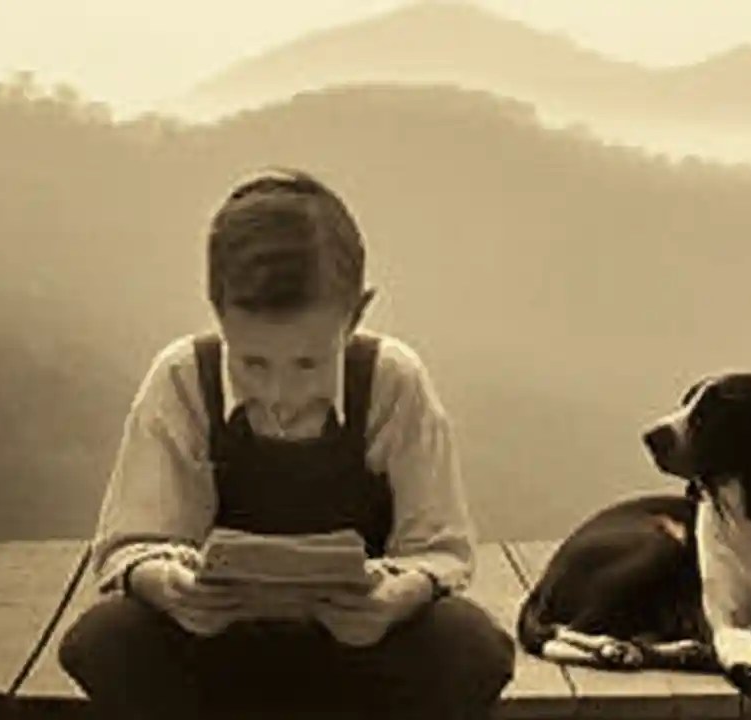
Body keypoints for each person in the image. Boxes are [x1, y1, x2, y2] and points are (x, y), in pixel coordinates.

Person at [57, 166, 515, 719]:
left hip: (359, 645)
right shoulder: (183, 377)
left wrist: (396, 598)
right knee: (107, 640)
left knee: (470, 647)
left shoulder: (392, 379)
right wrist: (170, 587)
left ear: (356, 317)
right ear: (218, 312)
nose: (281, 391)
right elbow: (130, 545)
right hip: (216, 646)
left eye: (309, 362)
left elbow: (440, 548)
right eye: (252, 362)